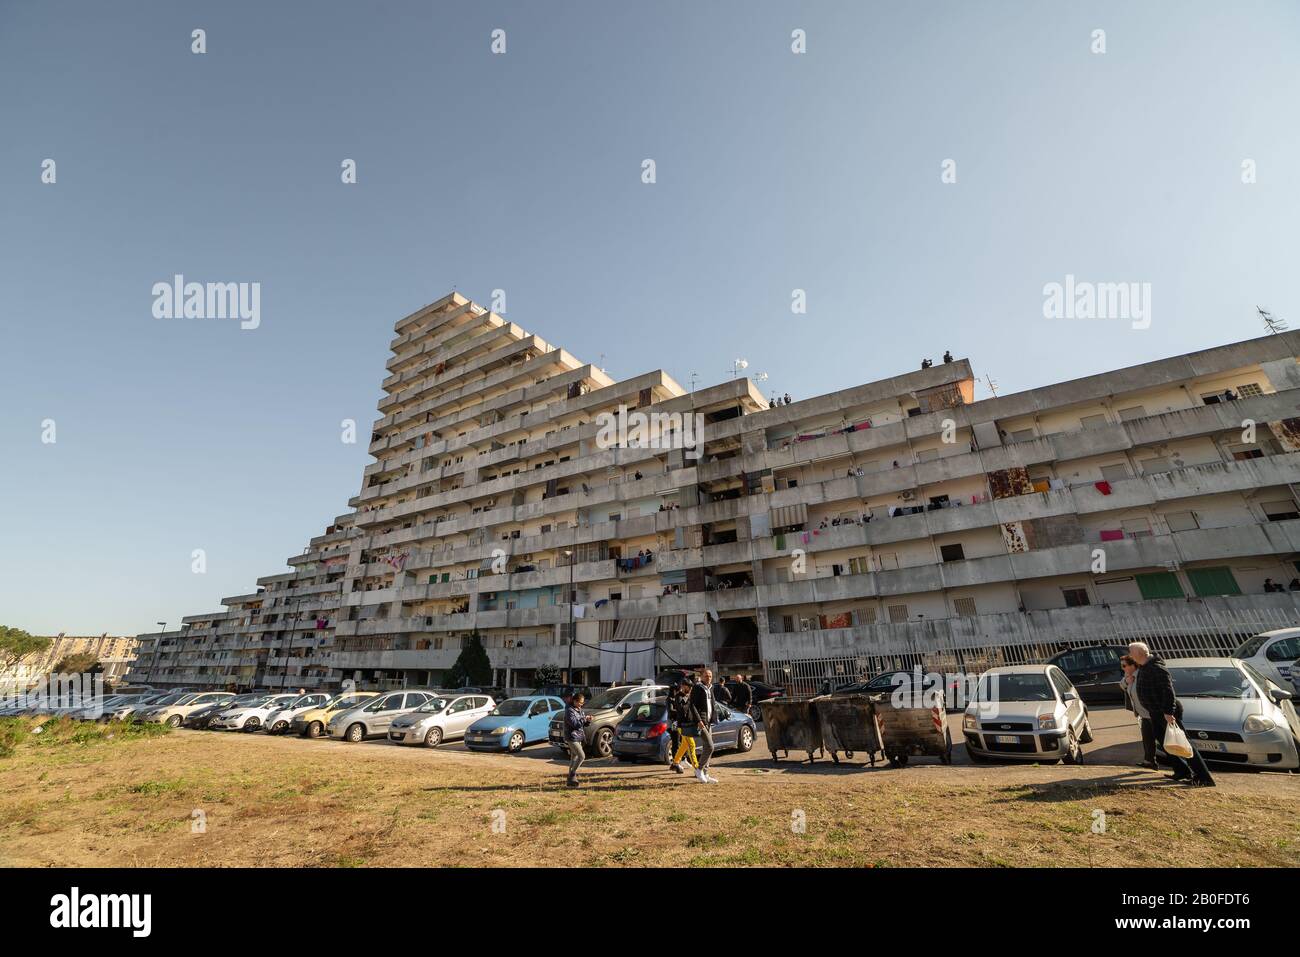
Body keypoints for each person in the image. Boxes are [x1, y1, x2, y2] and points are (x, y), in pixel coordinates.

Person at [1130, 641, 1215, 786]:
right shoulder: (1145, 667)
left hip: (1165, 712)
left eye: (1131, 652)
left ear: (1138, 654)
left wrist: (1168, 712)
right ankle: (1181, 770)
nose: (1130, 655)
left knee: (1183, 743)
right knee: (1166, 744)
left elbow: (1168, 691)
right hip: (1155, 712)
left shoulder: (1157, 668)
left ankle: (1204, 777)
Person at [1118, 655, 1157, 769]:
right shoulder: (1129, 675)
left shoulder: (1141, 675)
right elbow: (1121, 685)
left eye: (1124, 665)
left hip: (1151, 713)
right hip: (1143, 715)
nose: (1122, 668)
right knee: (1147, 739)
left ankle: (1181, 766)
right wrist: (1126, 680)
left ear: (1133, 665)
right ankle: (1149, 761)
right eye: (1121, 666)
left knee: (1161, 740)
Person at [669, 678, 708, 782]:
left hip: (688, 725)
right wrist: (690, 700)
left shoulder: (687, 696)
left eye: (691, 687)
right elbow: (683, 709)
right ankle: (697, 769)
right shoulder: (679, 697)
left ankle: (675, 762)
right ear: (683, 686)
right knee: (691, 745)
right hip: (682, 726)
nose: (690, 689)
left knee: (684, 745)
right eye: (689, 687)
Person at [689, 670, 720, 782]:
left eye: (710, 676)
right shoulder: (697, 688)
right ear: (701, 676)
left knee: (708, 748)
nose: (709, 677)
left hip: (709, 722)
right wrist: (698, 720)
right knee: (710, 746)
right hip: (701, 722)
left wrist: (714, 718)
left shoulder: (710, 687)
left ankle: (705, 773)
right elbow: (692, 705)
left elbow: (712, 704)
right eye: (706, 675)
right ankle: (699, 769)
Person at [563, 691, 591, 788]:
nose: (581, 704)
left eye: (582, 703)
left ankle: (570, 781)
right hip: (571, 737)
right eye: (580, 702)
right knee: (582, 756)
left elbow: (581, 724)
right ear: (575, 701)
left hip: (578, 736)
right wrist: (584, 720)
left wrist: (588, 721)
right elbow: (575, 724)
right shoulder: (569, 711)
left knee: (573, 758)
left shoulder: (579, 710)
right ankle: (572, 774)